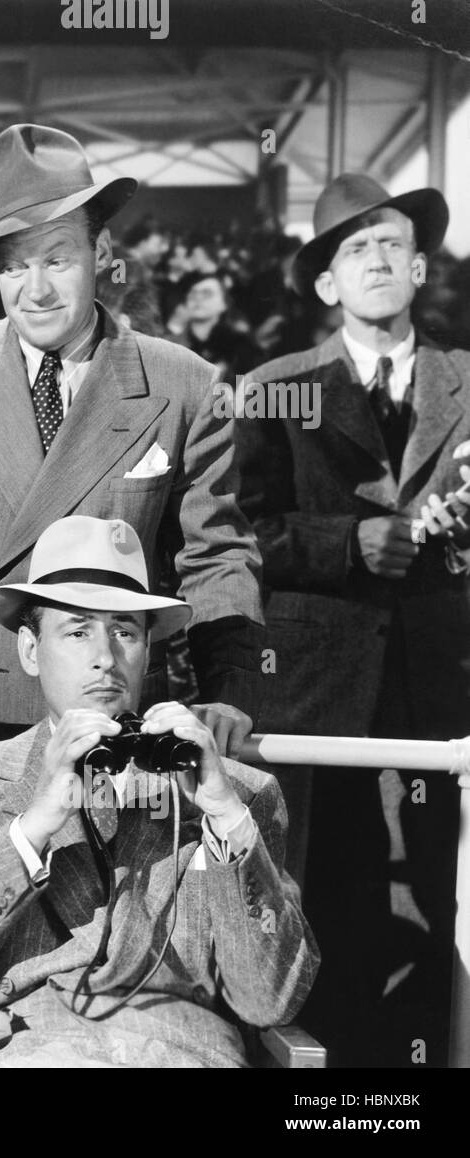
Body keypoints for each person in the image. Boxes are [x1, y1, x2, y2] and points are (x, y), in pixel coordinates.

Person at [0, 125, 264, 760]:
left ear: (100, 250)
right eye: (13, 266)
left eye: (56, 259)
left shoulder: (183, 382)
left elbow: (216, 555)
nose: (35, 291)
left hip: (123, 724)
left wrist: (227, 691)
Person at [0, 516, 318, 1067]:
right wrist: (34, 825)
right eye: (78, 630)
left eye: (125, 631)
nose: (105, 658)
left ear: (148, 650)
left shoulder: (239, 794)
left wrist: (224, 815)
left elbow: (270, 997)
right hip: (26, 1049)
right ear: (31, 650)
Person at [234, 173, 470, 1067]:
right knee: (330, 896)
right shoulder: (274, 389)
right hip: (317, 702)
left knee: (443, 899)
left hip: (444, 690)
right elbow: (236, 536)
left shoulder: (469, 383)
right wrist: (348, 543)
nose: (376, 258)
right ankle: (337, 1095)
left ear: (419, 270)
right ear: (327, 285)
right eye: (353, 247)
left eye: (391, 244)